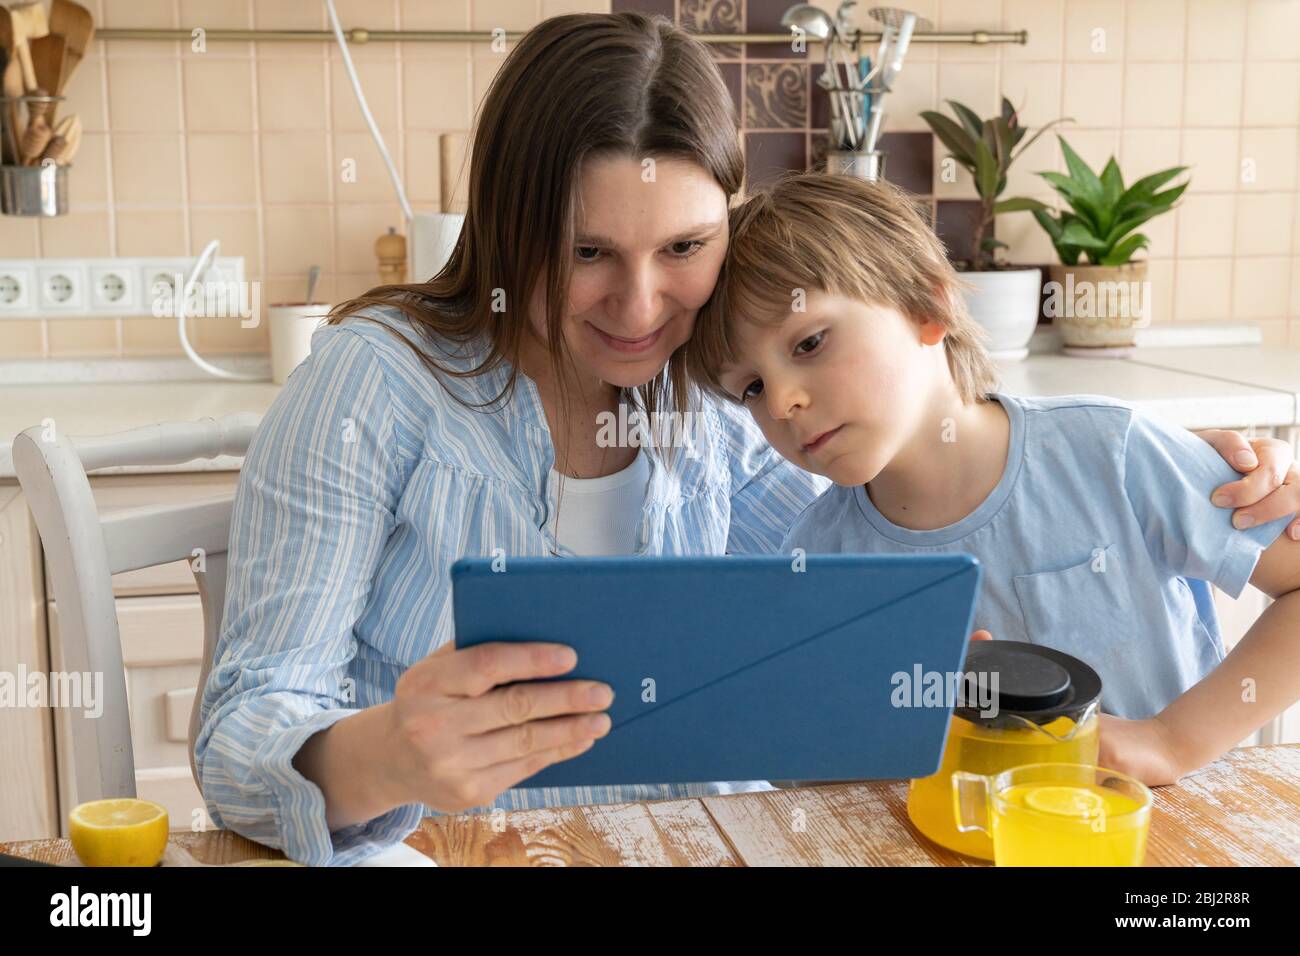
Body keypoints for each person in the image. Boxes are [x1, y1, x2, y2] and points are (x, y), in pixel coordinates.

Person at [195, 13, 1300, 866]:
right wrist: (384, 750)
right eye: (585, 252)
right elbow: (241, 732)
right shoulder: (371, 386)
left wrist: (1130, 465)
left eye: (681, 245)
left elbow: (887, 542)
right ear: (504, 225)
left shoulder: (727, 395)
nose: (638, 306)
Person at [683, 172, 1300, 786]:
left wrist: (1170, 741)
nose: (782, 401)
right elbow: (825, 776)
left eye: (810, 342)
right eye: (753, 388)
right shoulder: (817, 559)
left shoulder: (1109, 450)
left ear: (928, 307)